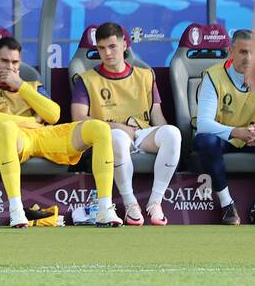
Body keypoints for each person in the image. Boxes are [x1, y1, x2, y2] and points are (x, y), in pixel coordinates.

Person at [0, 36, 117, 228]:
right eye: (5, 61)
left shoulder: (32, 86)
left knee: (99, 128)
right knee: (6, 126)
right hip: (15, 139)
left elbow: (53, 115)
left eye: (15, 62)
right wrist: (31, 121)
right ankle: (16, 210)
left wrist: (21, 85)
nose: (10, 67)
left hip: (44, 136)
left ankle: (104, 209)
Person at [69, 23, 183, 226]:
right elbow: (79, 120)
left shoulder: (145, 75)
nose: (107, 53)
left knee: (172, 133)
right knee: (117, 137)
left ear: (124, 44)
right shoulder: (86, 80)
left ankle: (155, 202)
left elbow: (157, 116)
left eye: (112, 46)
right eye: (102, 48)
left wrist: (167, 138)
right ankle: (131, 205)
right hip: (110, 138)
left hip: (143, 134)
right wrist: (116, 127)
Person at [190, 29, 255, 226]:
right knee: (204, 140)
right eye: (243, 52)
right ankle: (227, 204)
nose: (249, 58)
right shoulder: (214, 76)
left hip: (251, 136)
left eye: (253, 52)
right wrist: (237, 132)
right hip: (224, 137)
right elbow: (203, 124)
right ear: (231, 51)